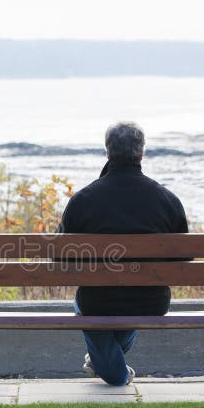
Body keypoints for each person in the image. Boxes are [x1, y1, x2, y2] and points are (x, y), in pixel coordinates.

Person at [56, 122, 188, 385]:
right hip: (150, 301)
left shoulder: (83, 200)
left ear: (107, 152)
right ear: (142, 153)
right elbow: (184, 259)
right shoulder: (167, 200)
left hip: (98, 300)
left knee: (85, 305)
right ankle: (104, 363)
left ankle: (115, 372)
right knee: (129, 299)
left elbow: (60, 257)